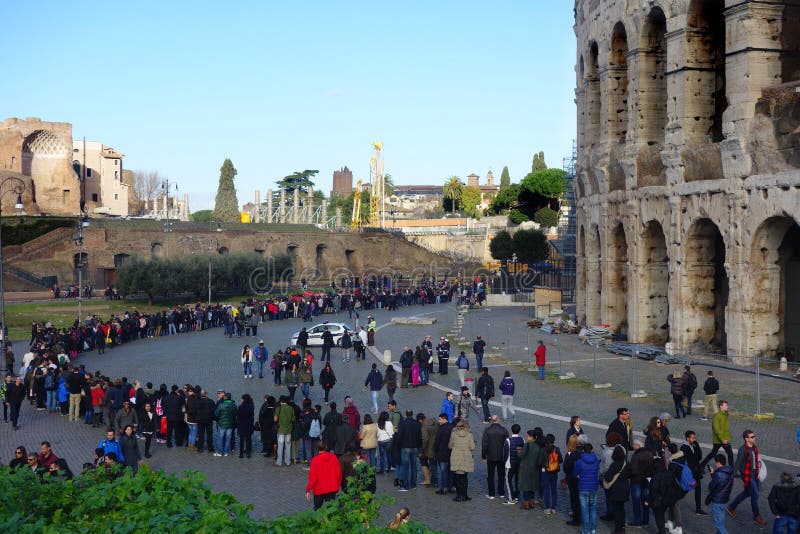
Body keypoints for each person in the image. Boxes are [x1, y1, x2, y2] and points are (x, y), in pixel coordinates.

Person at [727, 430, 766, 524]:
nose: (754, 438)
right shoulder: (743, 449)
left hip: (755, 474)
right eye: (752, 437)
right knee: (755, 495)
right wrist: (732, 476)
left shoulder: (754, 447)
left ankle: (731, 507)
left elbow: (755, 459)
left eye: (754, 436)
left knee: (747, 493)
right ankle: (756, 516)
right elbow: (738, 464)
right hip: (748, 475)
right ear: (746, 439)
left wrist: (758, 465)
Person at [305, 441, 342, 510]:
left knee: (318, 509)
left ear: (317, 449)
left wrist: (308, 489)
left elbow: (313, 477)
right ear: (326, 447)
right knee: (331, 510)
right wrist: (337, 485)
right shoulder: (334, 457)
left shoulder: (315, 460)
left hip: (319, 489)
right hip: (332, 488)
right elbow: (338, 473)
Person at [602, 444, 629, 533]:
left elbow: (608, 477)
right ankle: (622, 528)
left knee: (617, 510)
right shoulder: (626, 464)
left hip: (616, 490)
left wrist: (605, 475)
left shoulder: (614, 465)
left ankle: (618, 530)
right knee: (622, 509)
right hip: (625, 489)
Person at [574, 441, 600, 533]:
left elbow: (575, 474)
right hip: (593, 487)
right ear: (592, 450)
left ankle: (585, 531)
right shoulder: (596, 461)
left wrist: (578, 475)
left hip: (583, 487)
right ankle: (593, 529)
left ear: (583, 451)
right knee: (593, 508)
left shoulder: (579, 462)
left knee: (584, 510)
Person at [482, 415, 509, 500]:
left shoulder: (487, 430)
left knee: (490, 475)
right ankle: (501, 492)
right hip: (501, 456)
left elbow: (484, 444)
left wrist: (483, 456)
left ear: (492, 421)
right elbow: (507, 443)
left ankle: (491, 493)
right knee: (501, 474)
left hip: (491, 455)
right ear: (498, 420)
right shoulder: (504, 430)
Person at [628, 437, 654, 528]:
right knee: (645, 500)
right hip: (647, 480)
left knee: (636, 501)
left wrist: (629, 474)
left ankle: (637, 520)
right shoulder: (650, 454)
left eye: (634, 444)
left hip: (636, 481)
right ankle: (645, 520)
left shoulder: (636, 456)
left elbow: (633, 470)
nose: (633, 446)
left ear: (638, 446)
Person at [706, 454, 735, 534]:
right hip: (725, 500)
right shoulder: (730, 472)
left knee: (719, 525)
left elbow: (711, 487)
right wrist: (713, 474)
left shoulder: (718, 474)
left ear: (718, 462)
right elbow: (721, 483)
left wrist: (713, 474)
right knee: (721, 522)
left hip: (717, 501)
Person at [449, 419, 476, 502]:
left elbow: (450, 446)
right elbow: (472, 447)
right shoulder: (469, 434)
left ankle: (459, 495)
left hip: (456, 456)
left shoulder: (453, 434)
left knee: (457, 478)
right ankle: (465, 495)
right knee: (464, 478)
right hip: (466, 457)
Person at [701, 400, 734, 467]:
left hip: (724, 439)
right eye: (725, 405)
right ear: (721, 407)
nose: (727, 407)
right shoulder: (717, 416)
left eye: (727, 405)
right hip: (720, 440)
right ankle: (701, 466)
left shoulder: (725, 414)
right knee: (726, 454)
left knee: (715, 453)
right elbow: (716, 430)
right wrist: (722, 439)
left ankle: (701, 465)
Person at [680, 430, 706, 515]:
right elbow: (689, 461)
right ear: (687, 438)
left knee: (697, 489)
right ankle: (673, 503)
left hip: (695, 472)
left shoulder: (694, 445)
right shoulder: (684, 447)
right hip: (690, 472)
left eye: (695, 438)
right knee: (684, 489)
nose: (694, 439)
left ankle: (698, 509)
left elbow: (699, 457)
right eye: (693, 438)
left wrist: (697, 446)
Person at [396, 409, 422, 491]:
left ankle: (406, 485)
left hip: (405, 447)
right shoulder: (417, 423)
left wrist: (398, 445)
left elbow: (399, 436)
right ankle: (413, 484)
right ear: (412, 414)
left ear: (406, 414)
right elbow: (419, 436)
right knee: (414, 466)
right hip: (414, 447)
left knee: (405, 467)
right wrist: (419, 446)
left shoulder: (402, 423)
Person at [518, 428, 543, 511]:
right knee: (532, 487)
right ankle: (532, 502)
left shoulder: (527, 445)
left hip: (526, 468)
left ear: (531, 437)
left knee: (526, 487)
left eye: (527, 435)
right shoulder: (537, 446)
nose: (526, 437)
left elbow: (521, 456)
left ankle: (526, 504)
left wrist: (518, 451)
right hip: (535, 469)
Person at [562, 435, 584, 525]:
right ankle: (580, 515)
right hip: (581, 479)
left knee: (574, 499)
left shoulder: (569, 454)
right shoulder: (582, 453)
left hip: (572, 479)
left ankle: (576, 518)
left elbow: (565, 468)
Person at [540, 433, 563, 515]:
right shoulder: (557, 449)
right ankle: (553, 508)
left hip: (545, 472)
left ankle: (547, 508)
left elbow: (539, 462)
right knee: (554, 490)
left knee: (546, 490)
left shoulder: (543, 450)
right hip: (554, 472)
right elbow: (560, 460)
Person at [434, 413, 454, 495]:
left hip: (442, 453)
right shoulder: (452, 427)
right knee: (450, 471)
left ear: (444, 419)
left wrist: (436, 451)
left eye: (439, 419)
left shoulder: (440, 429)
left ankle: (443, 488)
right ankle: (450, 487)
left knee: (443, 472)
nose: (438, 421)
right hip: (450, 453)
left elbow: (437, 442)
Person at [274, 396, 296, 467]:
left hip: (280, 430)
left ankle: (279, 462)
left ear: (281, 401)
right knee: (288, 447)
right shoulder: (291, 408)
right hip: (289, 430)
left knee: (280, 447)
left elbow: (275, 420)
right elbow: (293, 419)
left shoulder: (278, 408)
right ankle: (288, 461)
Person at [213, 392, 236, 457]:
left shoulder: (221, 405)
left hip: (222, 424)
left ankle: (219, 452)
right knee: (228, 438)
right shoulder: (234, 405)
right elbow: (235, 414)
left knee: (220, 438)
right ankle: (226, 452)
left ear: (225, 397)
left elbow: (216, 413)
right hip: (230, 424)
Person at [236, 394, 255, 458]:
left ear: (243, 399)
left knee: (241, 440)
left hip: (241, 424)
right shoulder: (251, 406)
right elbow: (252, 415)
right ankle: (248, 453)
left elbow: (238, 415)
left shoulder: (240, 407)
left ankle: (241, 454)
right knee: (248, 439)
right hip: (249, 424)